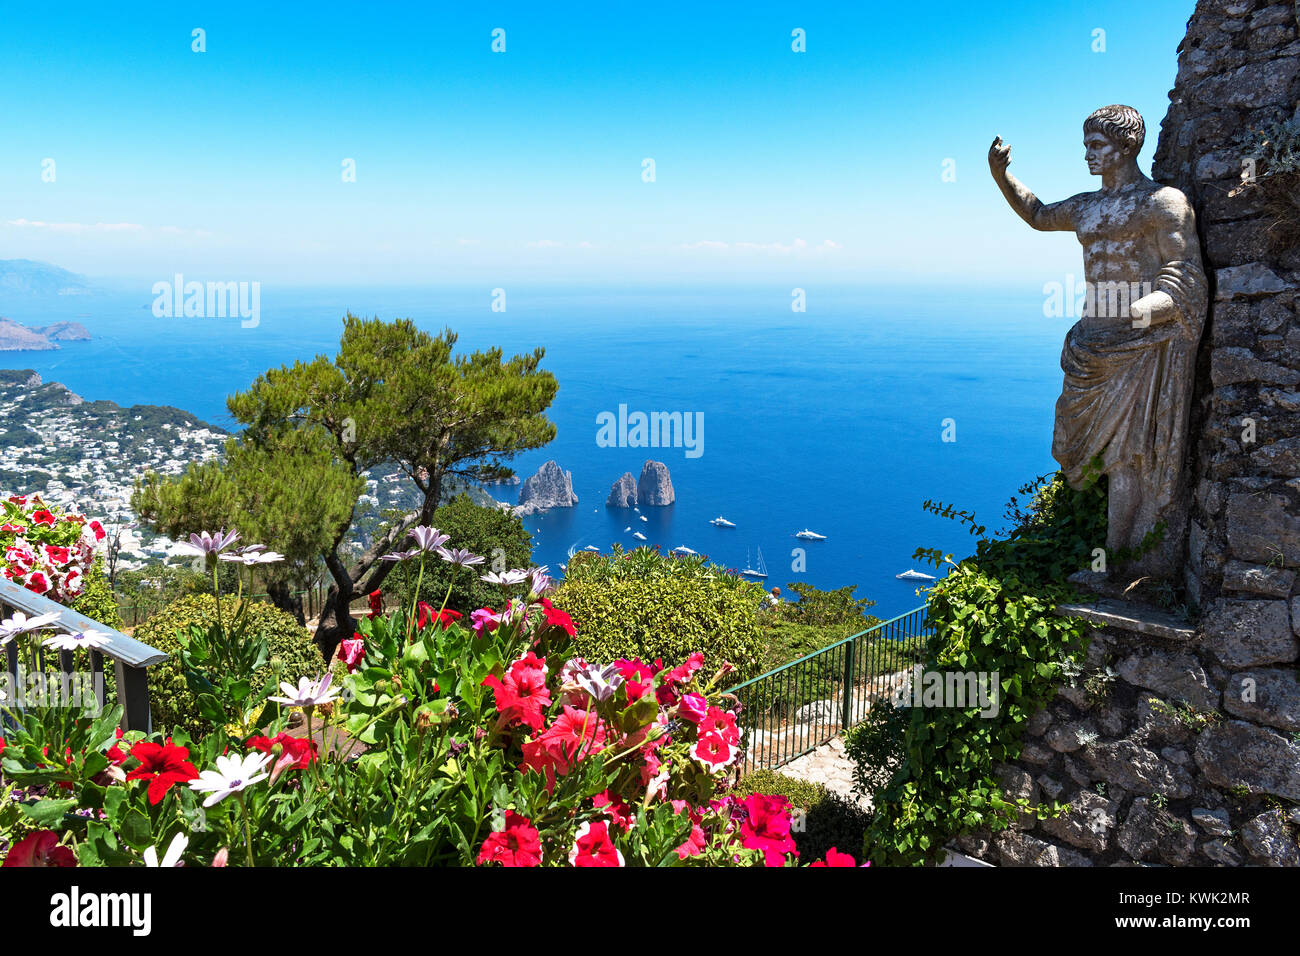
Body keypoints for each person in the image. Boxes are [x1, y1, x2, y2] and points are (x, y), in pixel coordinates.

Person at [988, 105, 1207, 578]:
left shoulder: (1162, 202)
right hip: (1091, 341)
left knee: (1125, 455)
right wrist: (1001, 176)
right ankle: (1114, 560)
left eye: (1097, 145)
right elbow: (1040, 215)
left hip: (1138, 342)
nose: (1088, 154)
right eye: (1086, 144)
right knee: (1076, 444)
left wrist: (1143, 311)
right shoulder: (1087, 205)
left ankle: (1120, 566)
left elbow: (1185, 273)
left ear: (1126, 146)